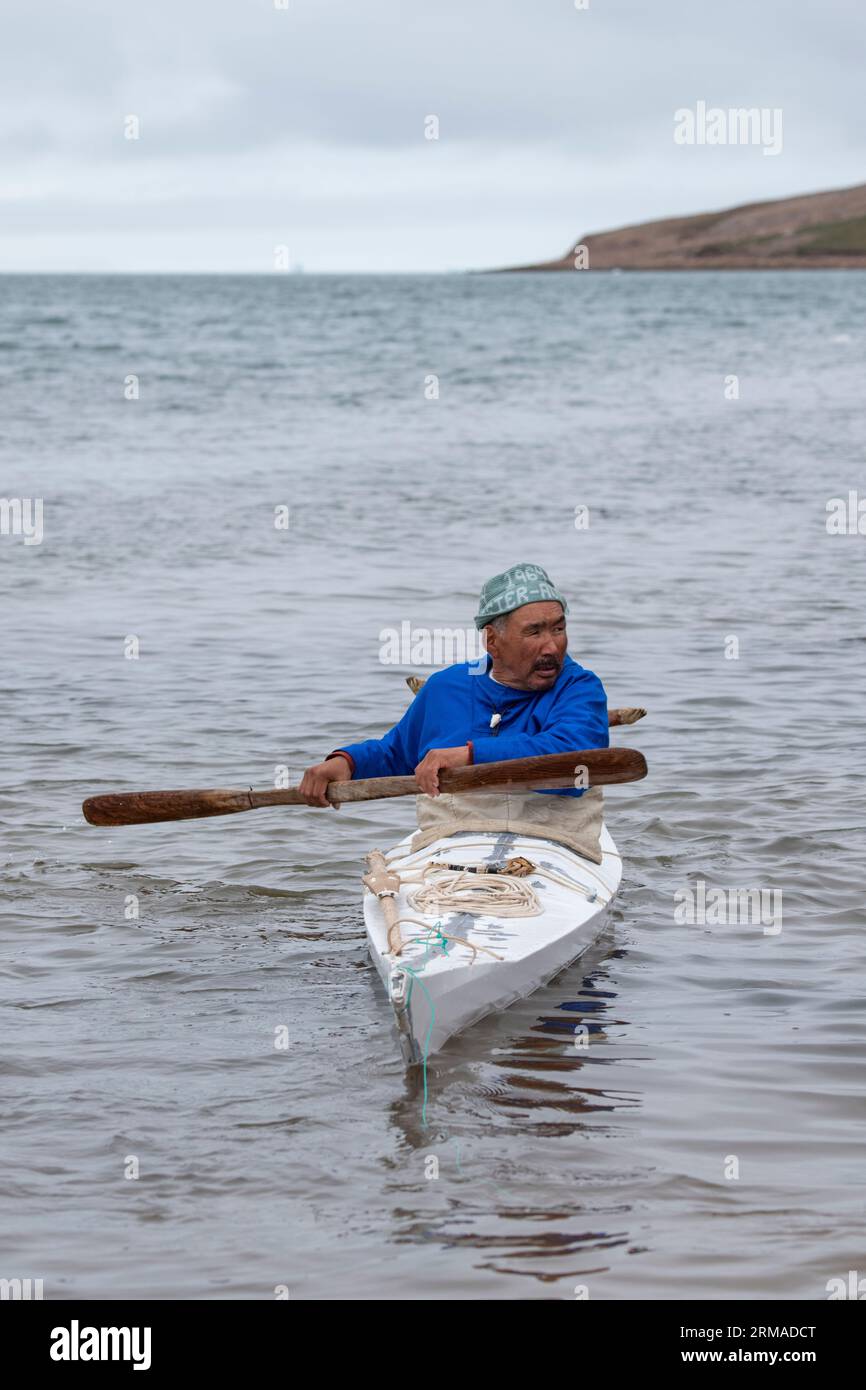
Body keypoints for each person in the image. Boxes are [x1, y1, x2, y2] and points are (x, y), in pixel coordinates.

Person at [298, 562, 609, 807]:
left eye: (558, 628)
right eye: (534, 632)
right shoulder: (445, 688)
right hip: (452, 841)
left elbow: (575, 759)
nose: (552, 647)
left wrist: (469, 755)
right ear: (492, 641)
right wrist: (346, 763)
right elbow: (396, 755)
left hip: (556, 841)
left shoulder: (580, 689)